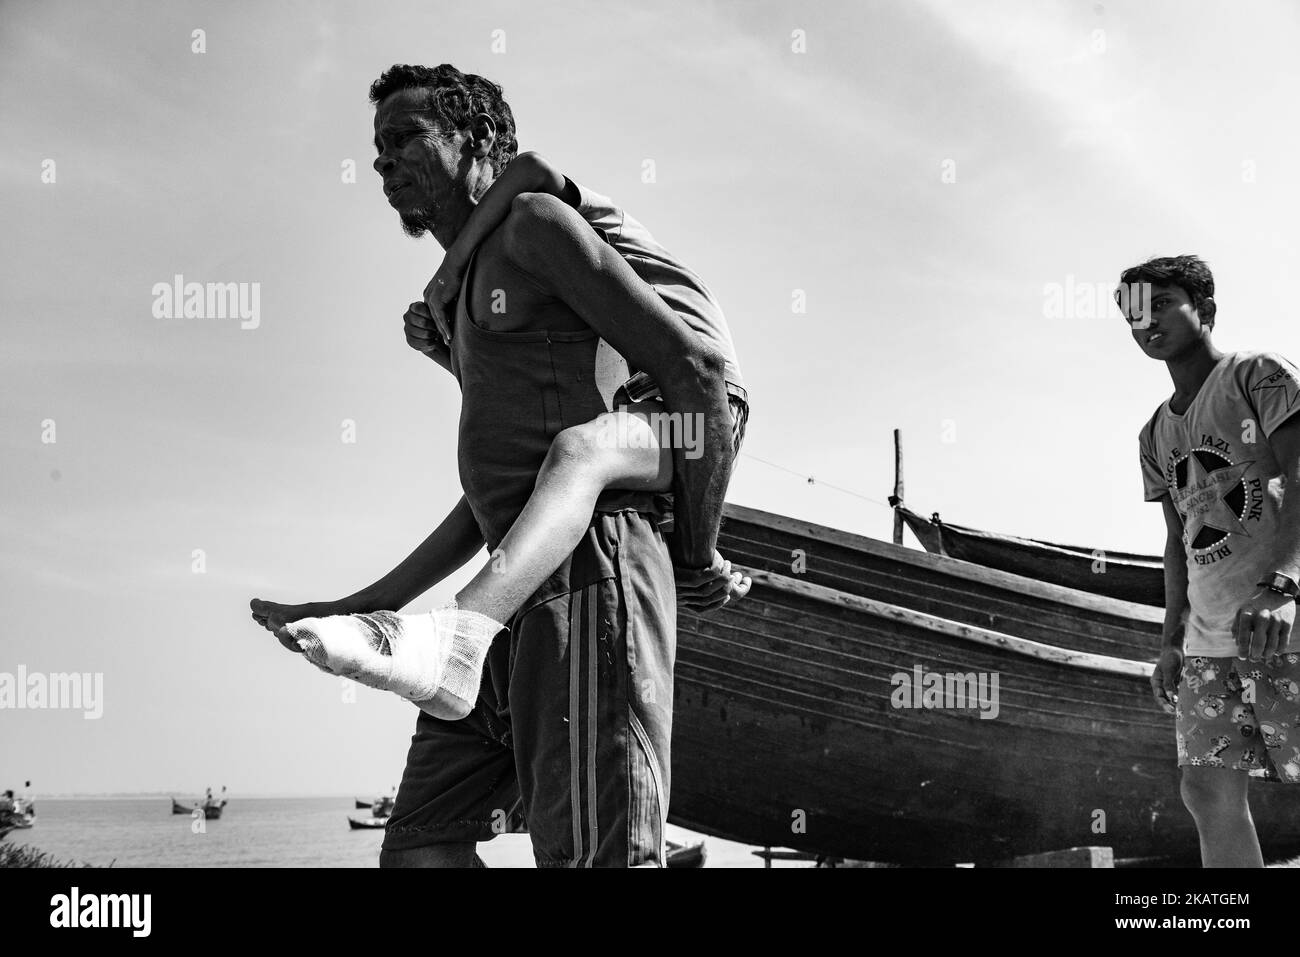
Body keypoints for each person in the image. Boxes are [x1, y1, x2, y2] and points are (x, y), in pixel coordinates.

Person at [251, 63, 743, 867]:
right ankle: (452, 638)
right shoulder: (464, 299)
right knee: (421, 848)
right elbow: (493, 493)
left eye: (406, 137)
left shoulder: (532, 229)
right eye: (376, 148)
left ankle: (458, 635)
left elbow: (698, 378)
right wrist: (363, 604)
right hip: (503, 602)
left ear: (477, 141)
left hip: (588, 579)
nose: (382, 162)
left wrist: (696, 551)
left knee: (597, 856)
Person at [1126, 254, 1300, 867]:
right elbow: (1178, 542)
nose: (1144, 320)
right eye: (1131, 310)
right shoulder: (1153, 435)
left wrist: (1285, 584)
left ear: (1205, 309)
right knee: (1206, 787)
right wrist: (1170, 638)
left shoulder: (1258, 375)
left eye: (1160, 302)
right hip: (1209, 639)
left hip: (1282, 620)